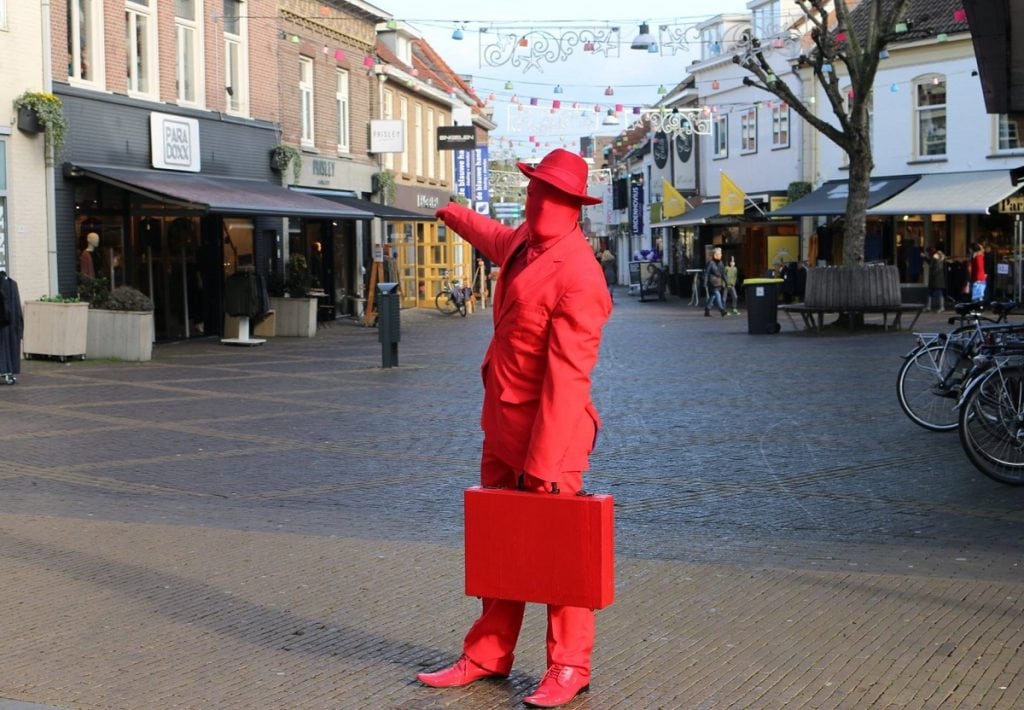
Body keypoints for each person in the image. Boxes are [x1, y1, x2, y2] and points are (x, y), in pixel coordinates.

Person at [417, 148, 612, 708]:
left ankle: (570, 665)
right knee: (499, 549)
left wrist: (544, 463)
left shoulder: (580, 276)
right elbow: (494, 237)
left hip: (551, 440)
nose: (533, 201)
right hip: (502, 426)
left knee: (561, 558)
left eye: (544, 193)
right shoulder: (525, 242)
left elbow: (567, 380)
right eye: (532, 190)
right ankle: (487, 654)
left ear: (570, 204)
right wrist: (450, 211)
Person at [704, 247, 727, 317]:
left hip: (718, 283)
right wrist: (705, 282)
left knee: (712, 296)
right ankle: (721, 310)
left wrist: (726, 281)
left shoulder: (721, 263)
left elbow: (723, 274)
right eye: (719, 254)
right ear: (715, 255)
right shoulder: (710, 262)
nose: (721, 255)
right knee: (717, 294)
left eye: (721, 254)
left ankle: (707, 310)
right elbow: (706, 273)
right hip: (712, 283)